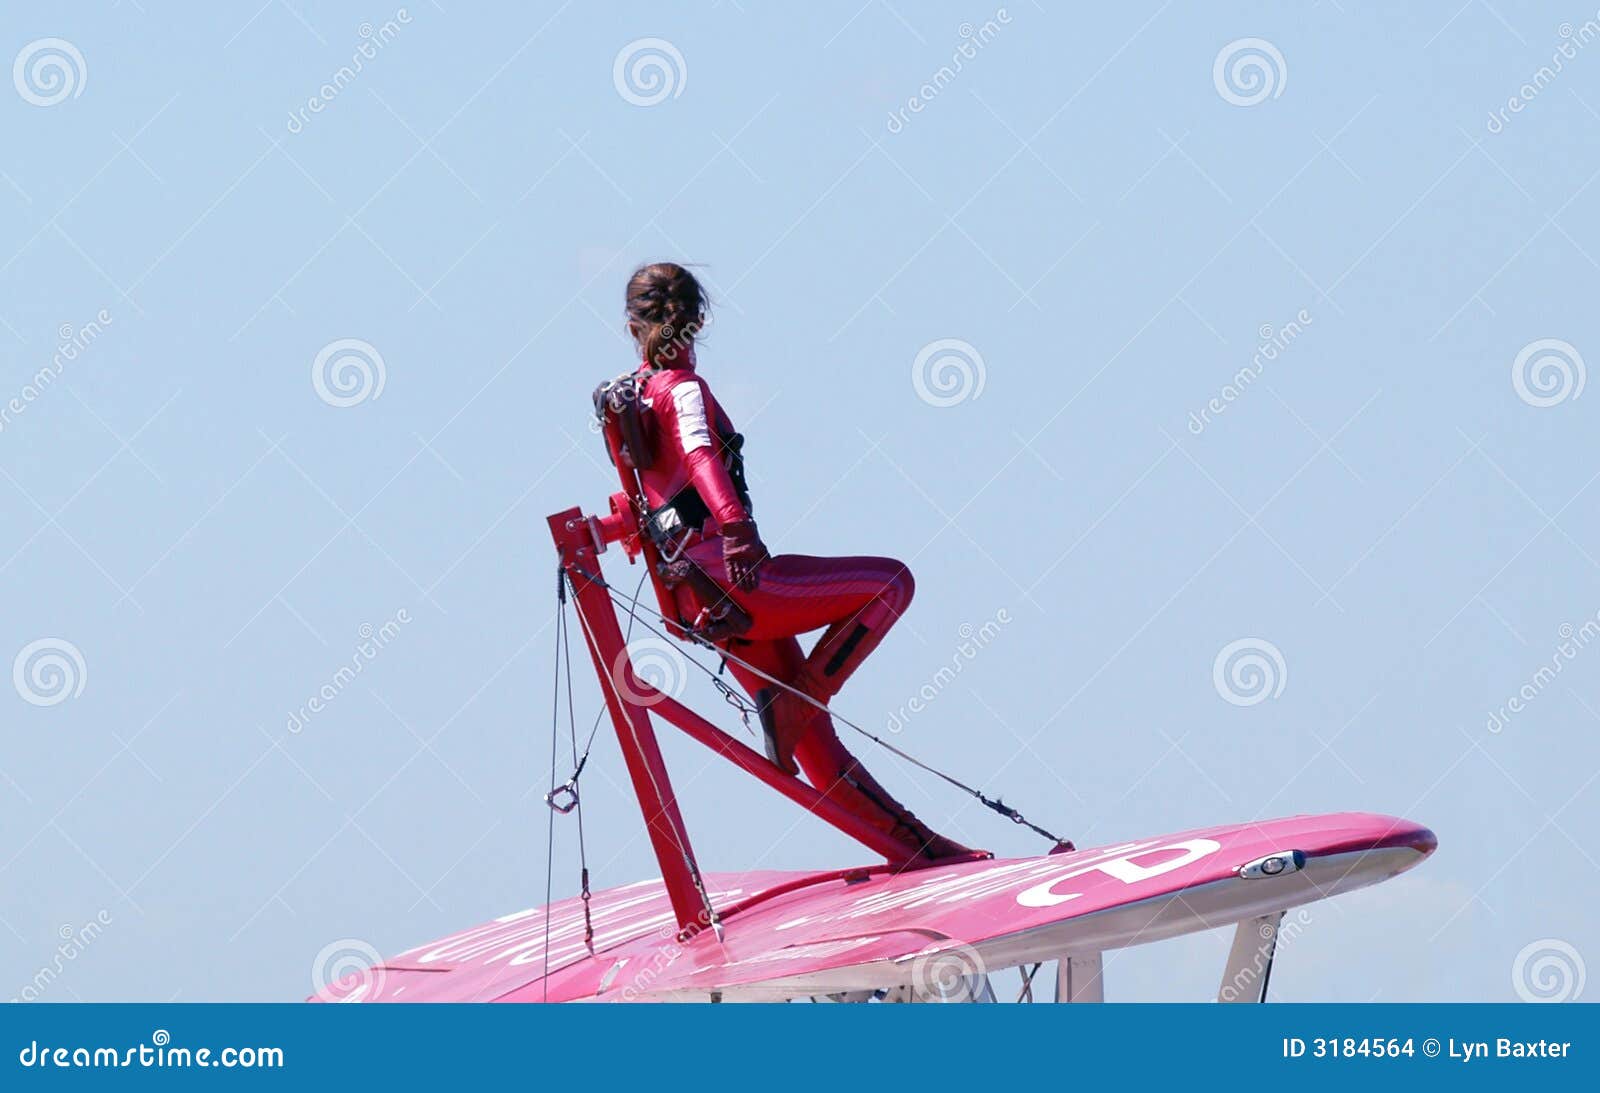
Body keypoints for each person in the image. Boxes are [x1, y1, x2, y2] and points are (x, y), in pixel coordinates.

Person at [617, 261, 973, 862]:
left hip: (698, 599)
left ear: (633, 326)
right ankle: (798, 698)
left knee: (815, 747)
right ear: (697, 322)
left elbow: (646, 497)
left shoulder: (626, 399)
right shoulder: (679, 390)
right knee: (890, 584)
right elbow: (700, 456)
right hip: (734, 583)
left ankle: (918, 851)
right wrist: (736, 528)